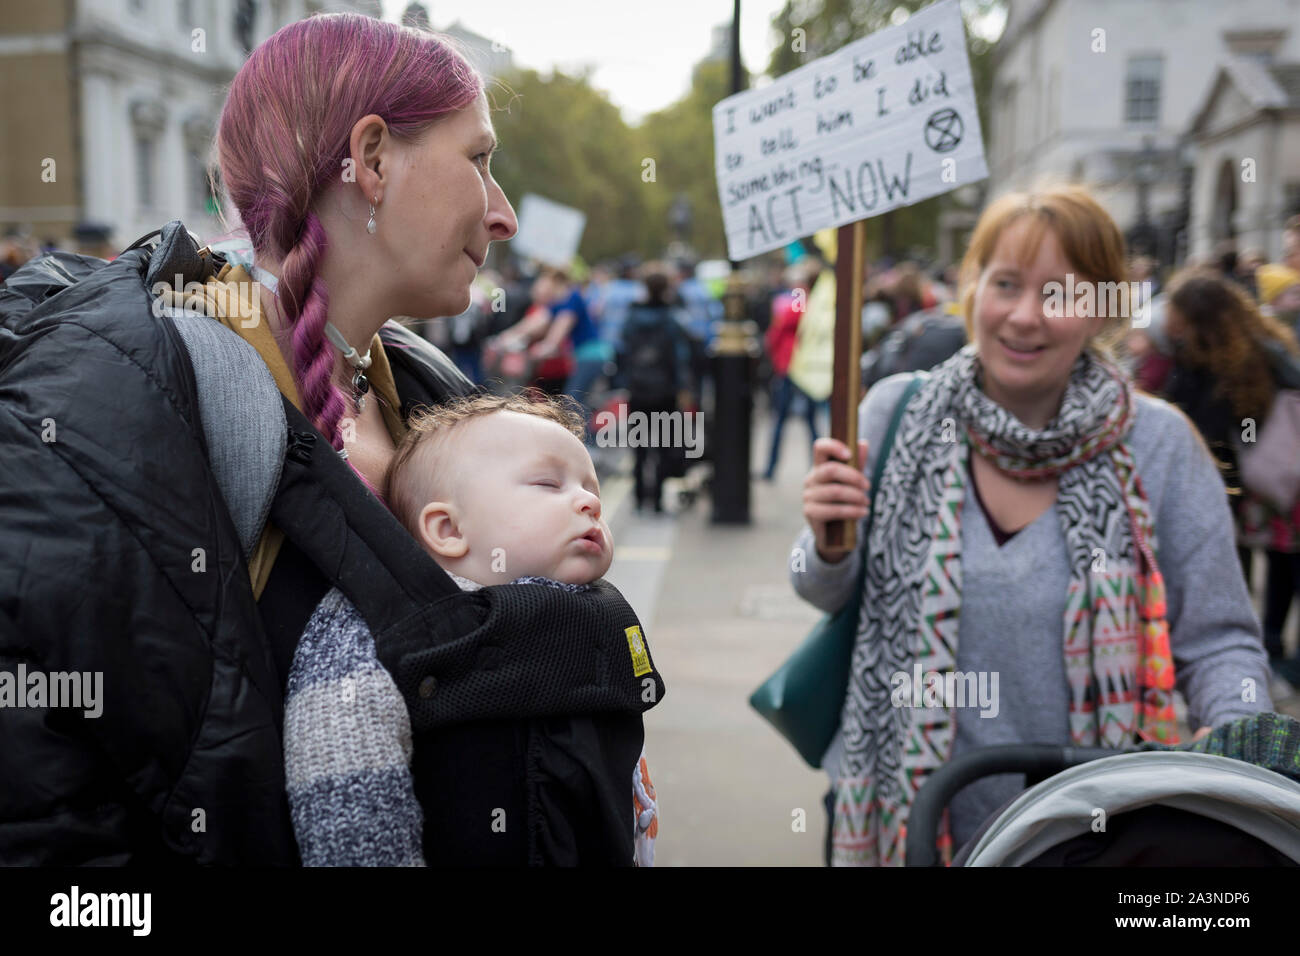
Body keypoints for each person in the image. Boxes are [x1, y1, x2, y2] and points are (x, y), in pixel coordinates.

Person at [0, 13, 655, 865]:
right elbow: (51, 807)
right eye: (480, 160)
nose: (502, 217)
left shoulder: (422, 386)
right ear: (371, 159)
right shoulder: (123, 403)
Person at [791, 185, 1273, 867]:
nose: (1024, 316)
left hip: (1089, 833)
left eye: (1059, 293)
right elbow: (817, 588)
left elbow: (1219, 641)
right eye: (1006, 284)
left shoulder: (1160, 444)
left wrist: (1245, 752)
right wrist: (825, 542)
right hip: (899, 815)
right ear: (972, 288)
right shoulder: (893, 413)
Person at [285, 392, 659, 866]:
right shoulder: (373, 635)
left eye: (592, 489)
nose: (589, 502)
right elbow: (348, 802)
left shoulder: (591, 611)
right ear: (448, 529)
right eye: (548, 483)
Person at [1161, 268, 1300, 689]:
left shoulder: (1235, 359)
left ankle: (1257, 650)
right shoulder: (1260, 346)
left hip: (1248, 483)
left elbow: (1238, 421)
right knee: (1276, 564)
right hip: (1258, 481)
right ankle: (1266, 645)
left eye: (1176, 313)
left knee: (1261, 565)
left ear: (1197, 318)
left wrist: (1248, 441)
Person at [618, 262, 693, 513]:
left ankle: (640, 498)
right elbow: (680, 357)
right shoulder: (672, 318)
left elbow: (622, 351)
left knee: (639, 446)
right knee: (663, 446)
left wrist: (624, 382)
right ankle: (657, 500)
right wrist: (683, 388)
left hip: (638, 388)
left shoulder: (632, 317)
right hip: (665, 391)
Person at [762, 261, 823, 481]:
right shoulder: (820, 299)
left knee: (783, 419)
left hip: (794, 365)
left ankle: (772, 468)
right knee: (810, 421)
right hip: (805, 366)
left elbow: (789, 321)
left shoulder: (800, 296)